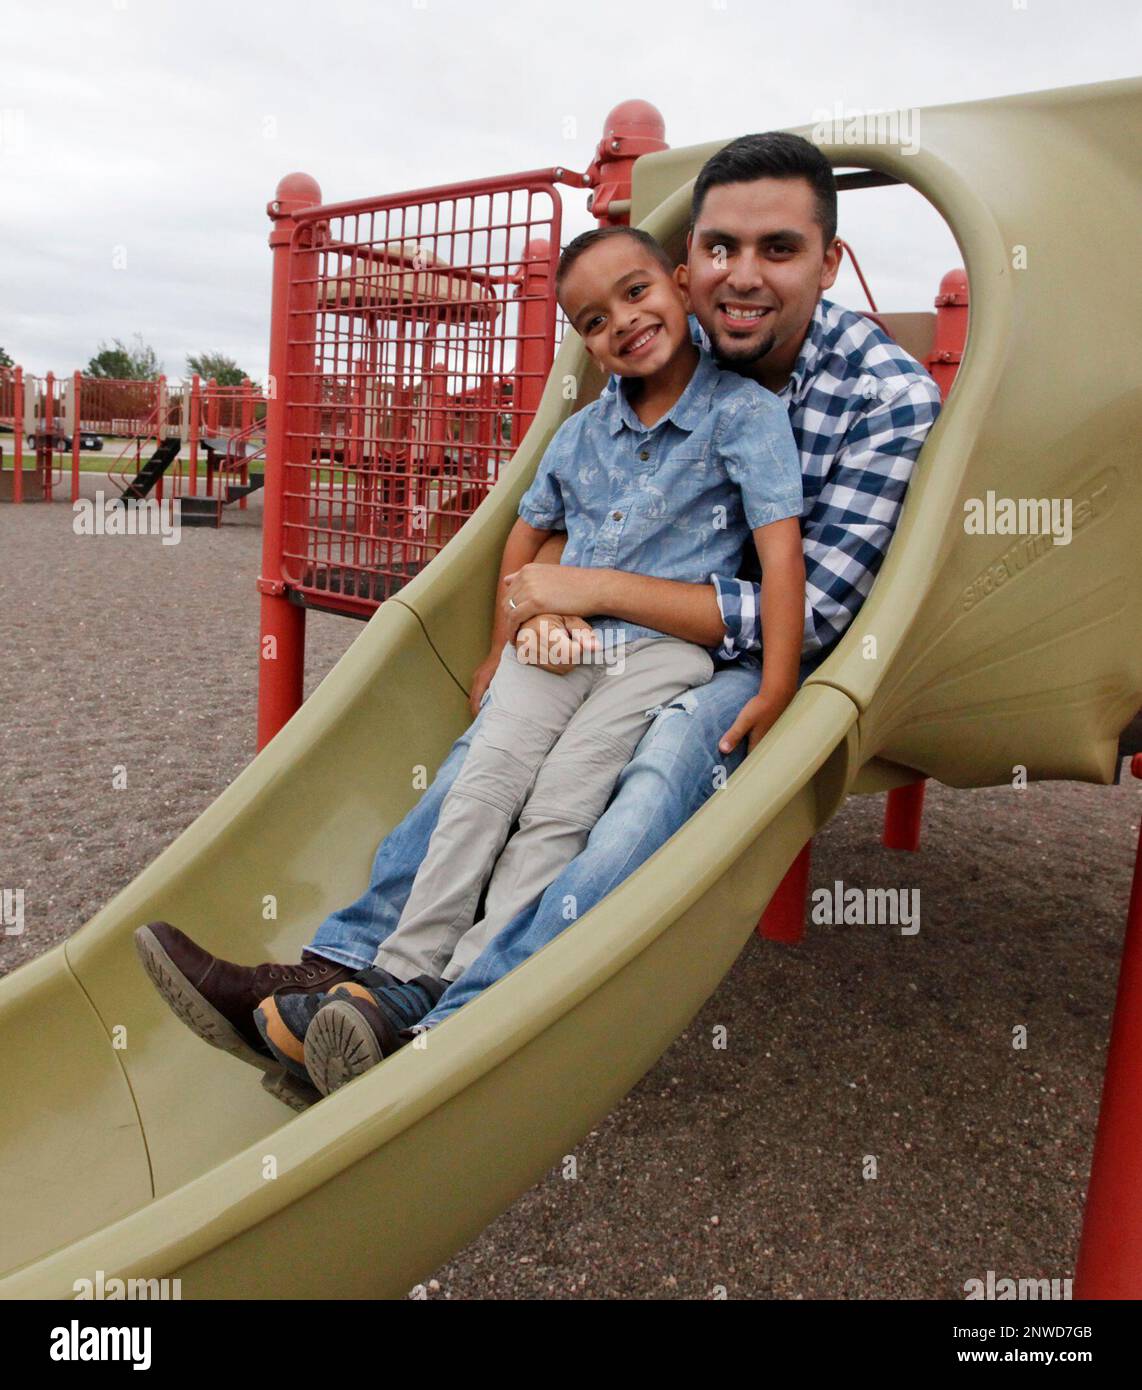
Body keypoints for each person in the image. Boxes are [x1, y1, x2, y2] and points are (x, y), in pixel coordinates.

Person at [136, 130, 942, 1103]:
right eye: (720, 248)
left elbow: (805, 614)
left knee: (618, 794)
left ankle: (450, 1021)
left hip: (744, 658)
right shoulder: (615, 402)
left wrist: (591, 588)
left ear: (829, 259)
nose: (742, 275)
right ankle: (348, 975)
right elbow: (563, 513)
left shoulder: (877, 399)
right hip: (617, 634)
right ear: (687, 268)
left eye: (778, 249)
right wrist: (533, 601)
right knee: (488, 765)